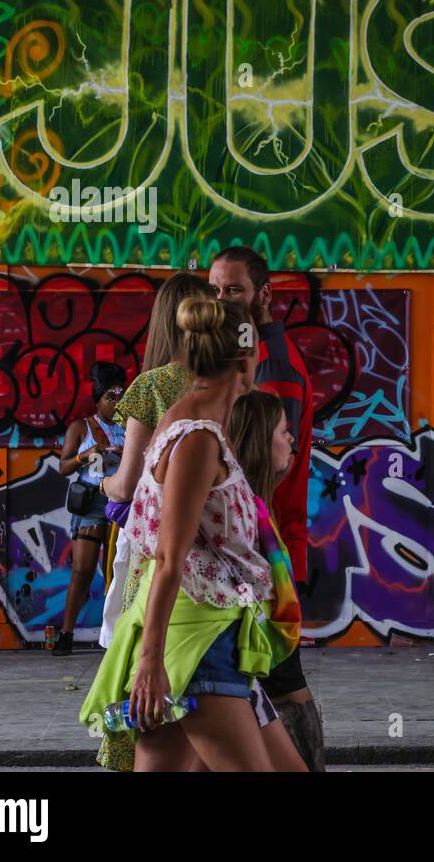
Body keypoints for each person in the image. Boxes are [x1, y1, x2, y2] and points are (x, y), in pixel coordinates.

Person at [80, 297, 278, 771]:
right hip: (196, 639)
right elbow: (169, 557)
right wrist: (150, 659)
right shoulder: (196, 439)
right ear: (246, 362)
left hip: (199, 631)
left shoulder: (194, 426)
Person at [208, 246, 322, 770]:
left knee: (281, 683)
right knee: (265, 683)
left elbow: (264, 467)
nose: (223, 300)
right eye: (214, 290)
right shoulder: (253, 357)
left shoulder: (270, 365)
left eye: (234, 290)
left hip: (260, 551)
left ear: (264, 296)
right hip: (257, 551)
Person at [99, 272, 213, 648]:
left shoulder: (150, 386)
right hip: (219, 537)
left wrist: (103, 485)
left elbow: (128, 484)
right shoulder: (229, 381)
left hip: (158, 542)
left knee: (146, 646)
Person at [222, 389, 311, 772]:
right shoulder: (245, 510)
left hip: (265, 656)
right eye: (283, 431)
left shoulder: (257, 504)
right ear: (261, 441)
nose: (291, 439)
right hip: (251, 657)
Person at [54, 362, 127, 656]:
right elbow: (63, 467)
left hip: (121, 499)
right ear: (98, 399)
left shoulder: (129, 426)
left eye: (121, 397)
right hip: (91, 500)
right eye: (111, 397)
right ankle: (66, 634)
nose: (116, 403)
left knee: (118, 569)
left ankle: (116, 637)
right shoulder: (81, 426)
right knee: (82, 570)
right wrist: (85, 455)